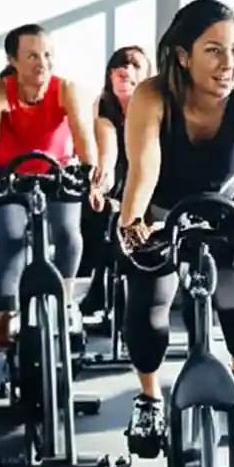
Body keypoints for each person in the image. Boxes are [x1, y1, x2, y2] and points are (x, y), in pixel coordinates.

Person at [116, 0, 234, 453]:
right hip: (163, 207)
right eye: (213, 50)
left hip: (231, 203)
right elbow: (144, 166)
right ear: (182, 55)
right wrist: (131, 221)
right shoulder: (152, 95)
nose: (228, 64)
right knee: (150, 304)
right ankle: (150, 397)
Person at [0, 23, 101, 394]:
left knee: (69, 238)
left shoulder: (66, 89)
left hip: (57, 174)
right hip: (10, 177)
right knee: (11, 244)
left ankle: (64, 304)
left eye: (47, 55)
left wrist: (91, 173)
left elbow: (83, 135)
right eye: (31, 56)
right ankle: (0, 345)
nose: (41, 63)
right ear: (13, 60)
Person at [79, 45, 152, 318]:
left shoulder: (154, 105)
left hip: (152, 172)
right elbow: (107, 151)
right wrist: (100, 184)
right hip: (120, 172)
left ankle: (107, 293)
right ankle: (103, 287)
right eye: (119, 67)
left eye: (134, 67)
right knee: (99, 213)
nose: (125, 71)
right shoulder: (103, 105)